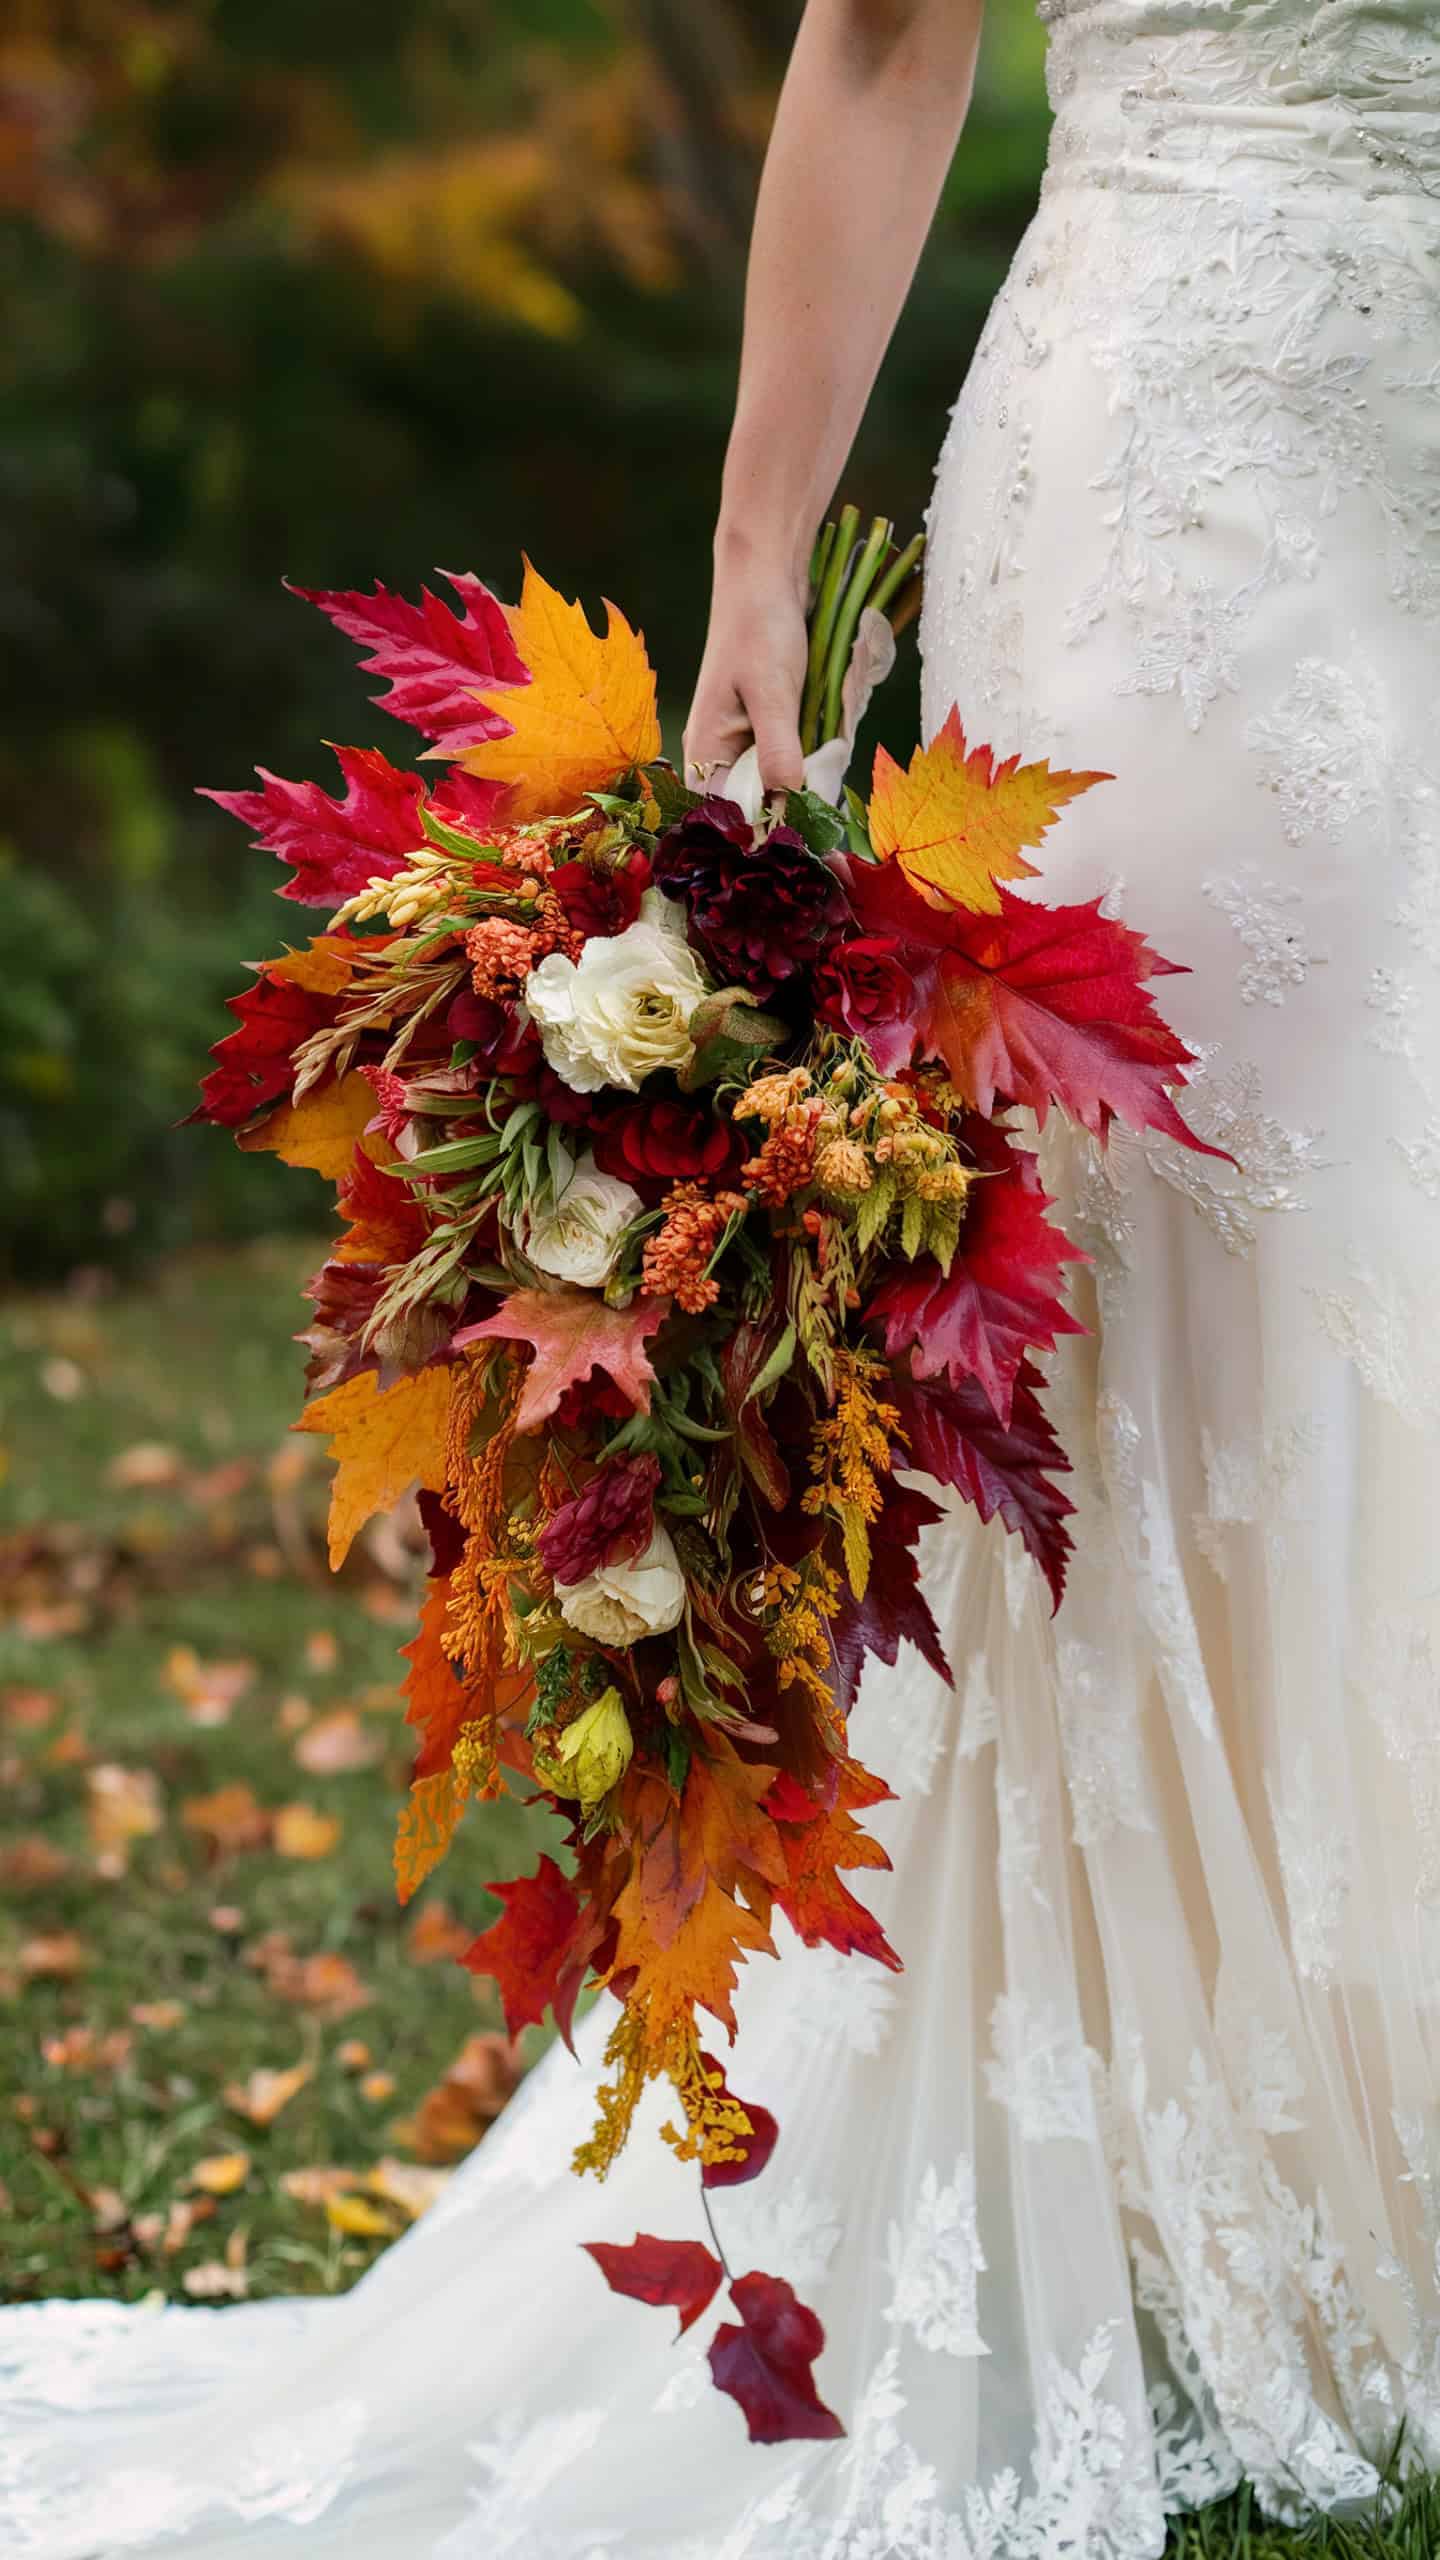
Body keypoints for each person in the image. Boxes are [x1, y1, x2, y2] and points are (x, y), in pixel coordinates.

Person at [5, 0, 1440, 2551]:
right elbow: (885, 35)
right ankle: (1136, 2152)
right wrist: (757, 557)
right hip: (1189, 457)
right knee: (1161, 1256)